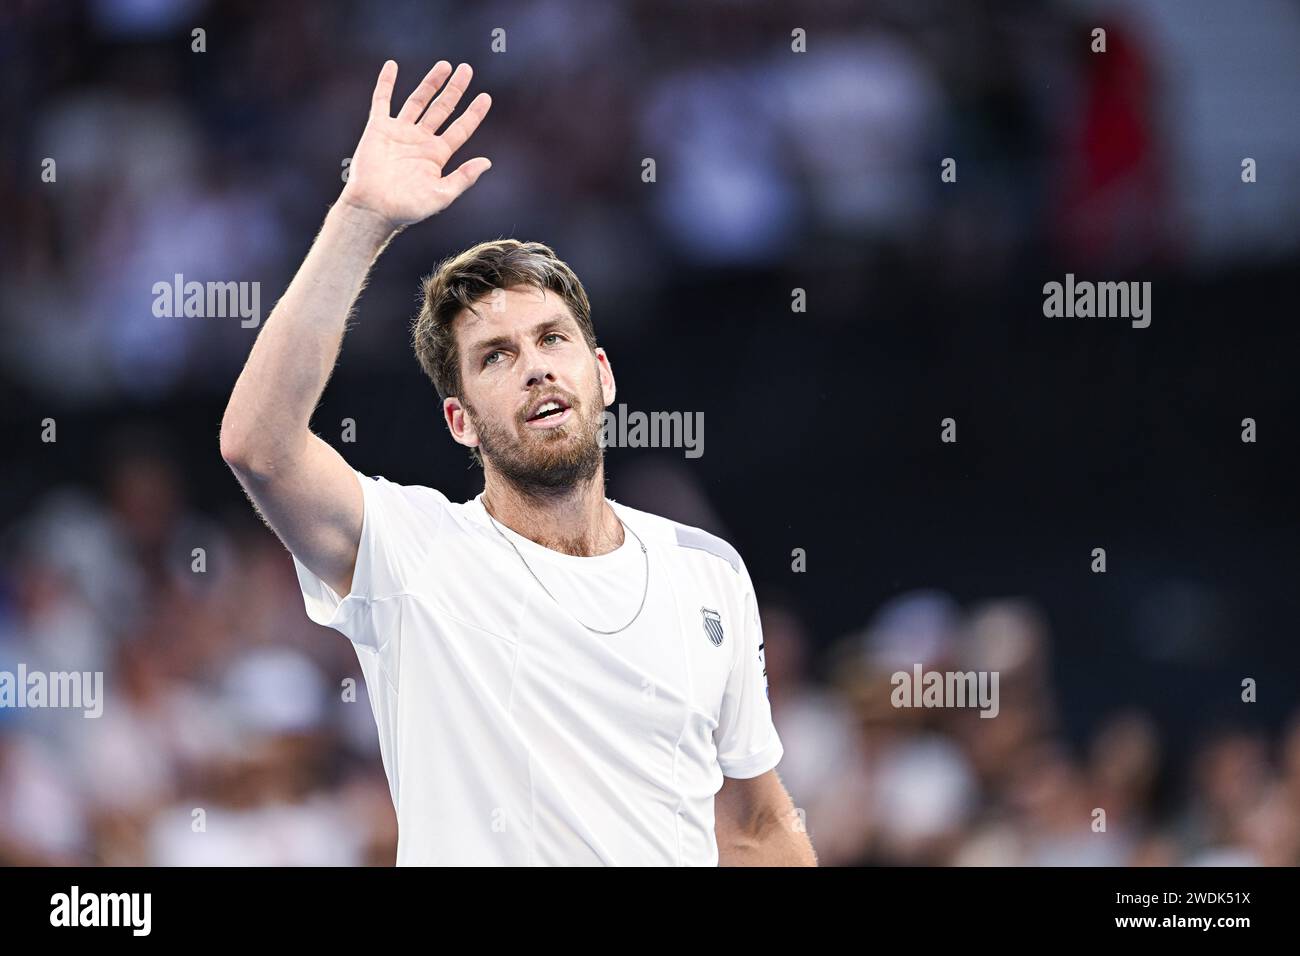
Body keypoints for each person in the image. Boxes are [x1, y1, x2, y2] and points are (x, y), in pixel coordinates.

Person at [220, 59, 815, 866]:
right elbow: (260, 445)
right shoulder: (413, 552)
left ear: (599, 374)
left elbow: (757, 827)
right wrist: (361, 215)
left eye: (551, 340)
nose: (535, 367)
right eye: (496, 356)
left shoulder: (708, 573)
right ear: (459, 422)